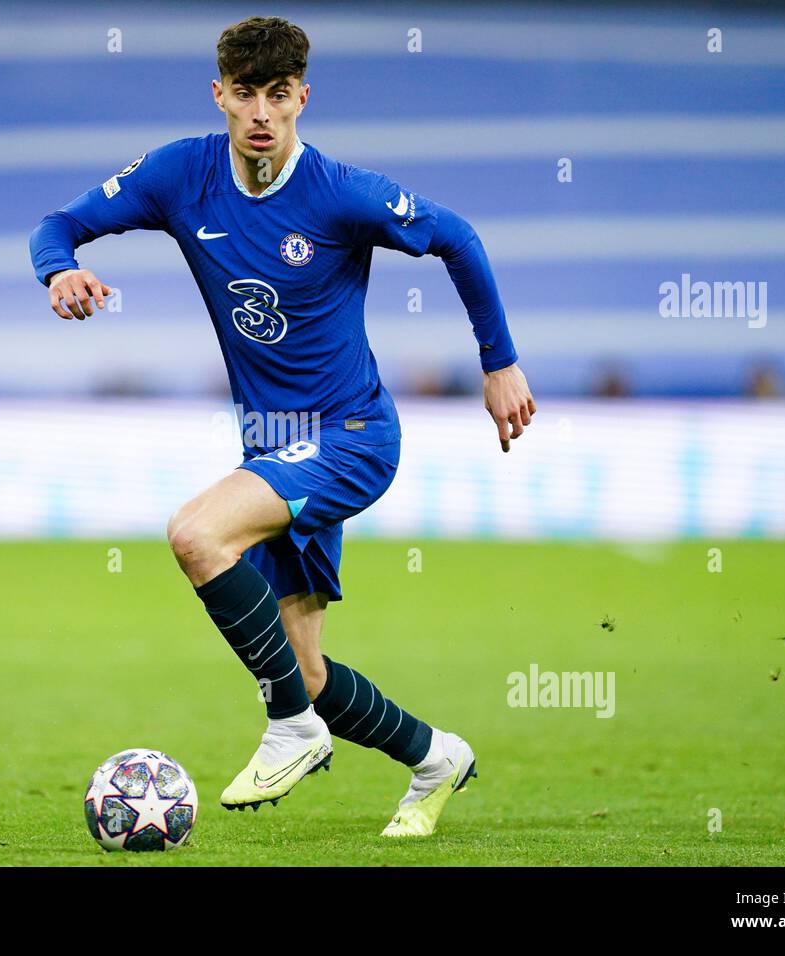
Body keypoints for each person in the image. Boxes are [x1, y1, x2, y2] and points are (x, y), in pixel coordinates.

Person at [30, 16, 535, 836]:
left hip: (352, 437)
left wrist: (500, 361)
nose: (261, 112)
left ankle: (288, 729)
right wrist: (62, 270)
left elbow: (458, 238)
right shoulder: (178, 175)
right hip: (273, 447)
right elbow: (57, 225)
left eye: (278, 95)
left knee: (196, 535)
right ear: (219, 95)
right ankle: (436, 756)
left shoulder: (340, 193)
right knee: (308, 672)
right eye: (246, 94)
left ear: (302, 98)